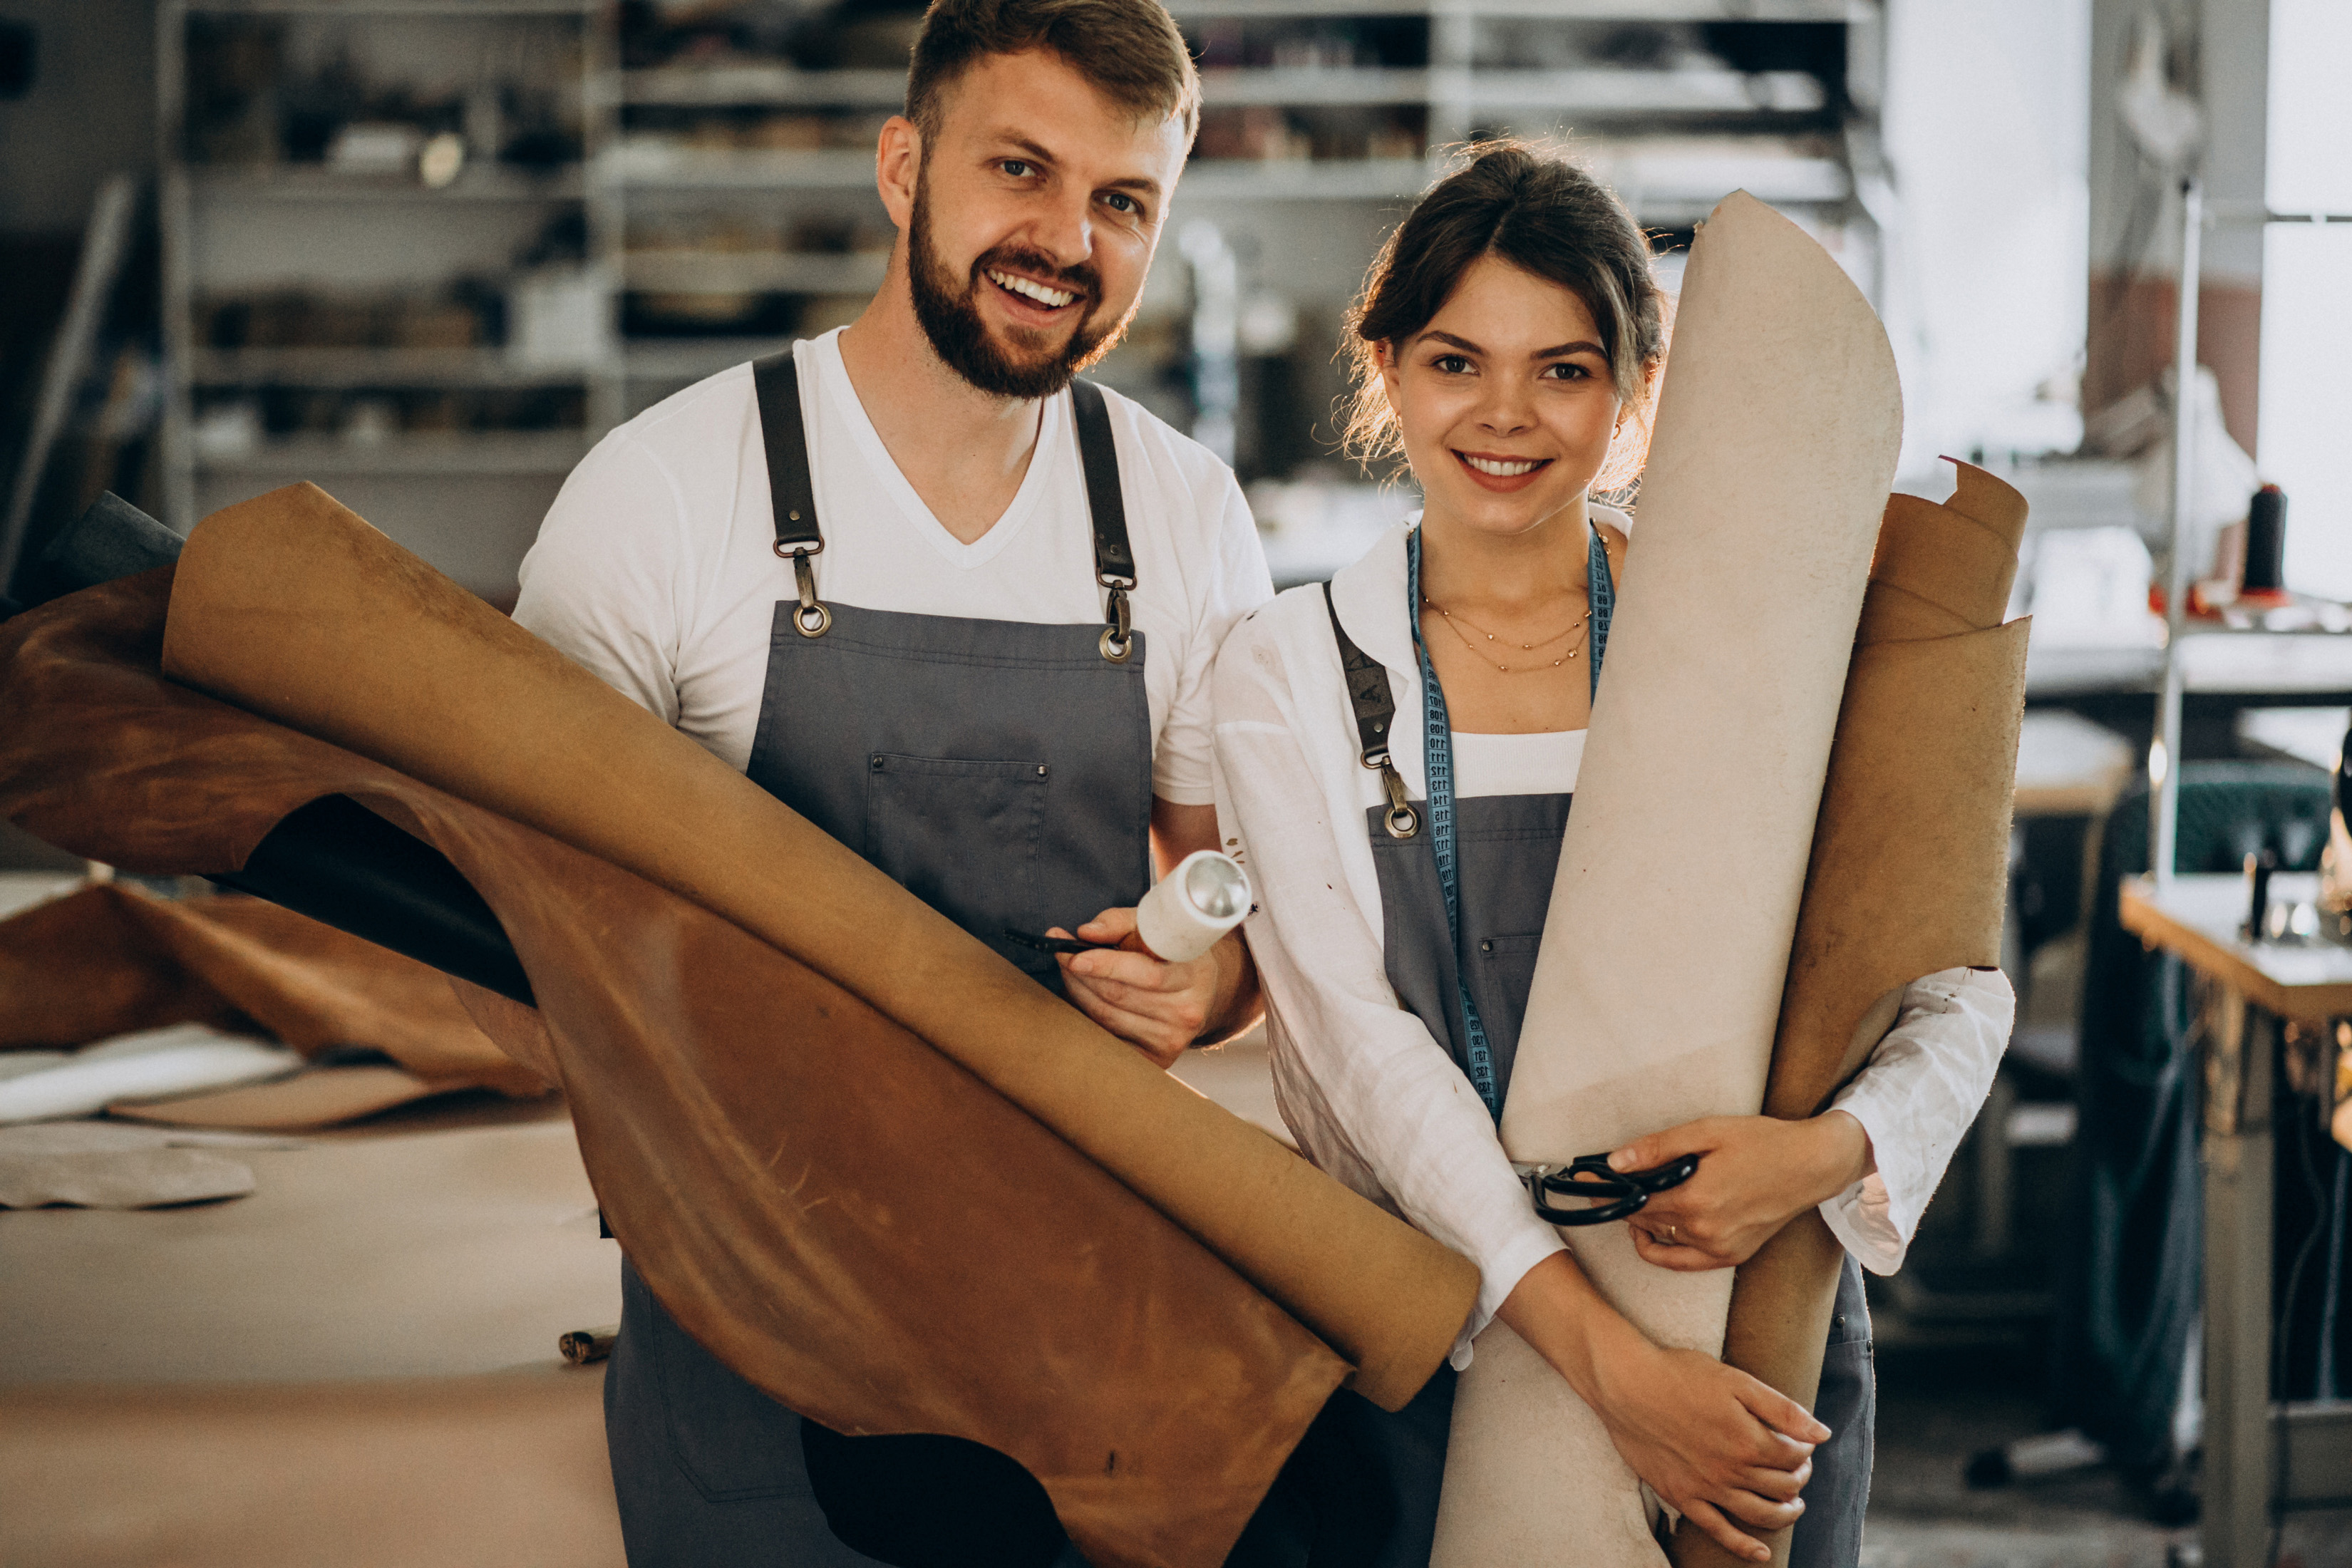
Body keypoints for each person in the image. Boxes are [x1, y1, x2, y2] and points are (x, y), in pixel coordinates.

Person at [512, 3, 1269, 1562]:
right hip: (758, 1297)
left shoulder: (1185, 517)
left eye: (1123, 201)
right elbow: (535, 933)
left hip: (1074, 1301)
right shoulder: (662, 497)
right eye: (1021, 170)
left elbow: (1241, 905)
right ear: (903, 164)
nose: (1067, 238)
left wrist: (1205, 994)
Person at [1209, 143, 2014, 1568]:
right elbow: (1359, 1052)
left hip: (1751, 1328)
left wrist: (1819, 1153)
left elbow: (1950, 982)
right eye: (1458, 361)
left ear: (1638, 389)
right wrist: (1613, 1369)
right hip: (1433, 1345)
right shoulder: (1295, 668)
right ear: (1386, 367)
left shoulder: (1763, 621)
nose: (1507, 414)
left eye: (1565, 369)